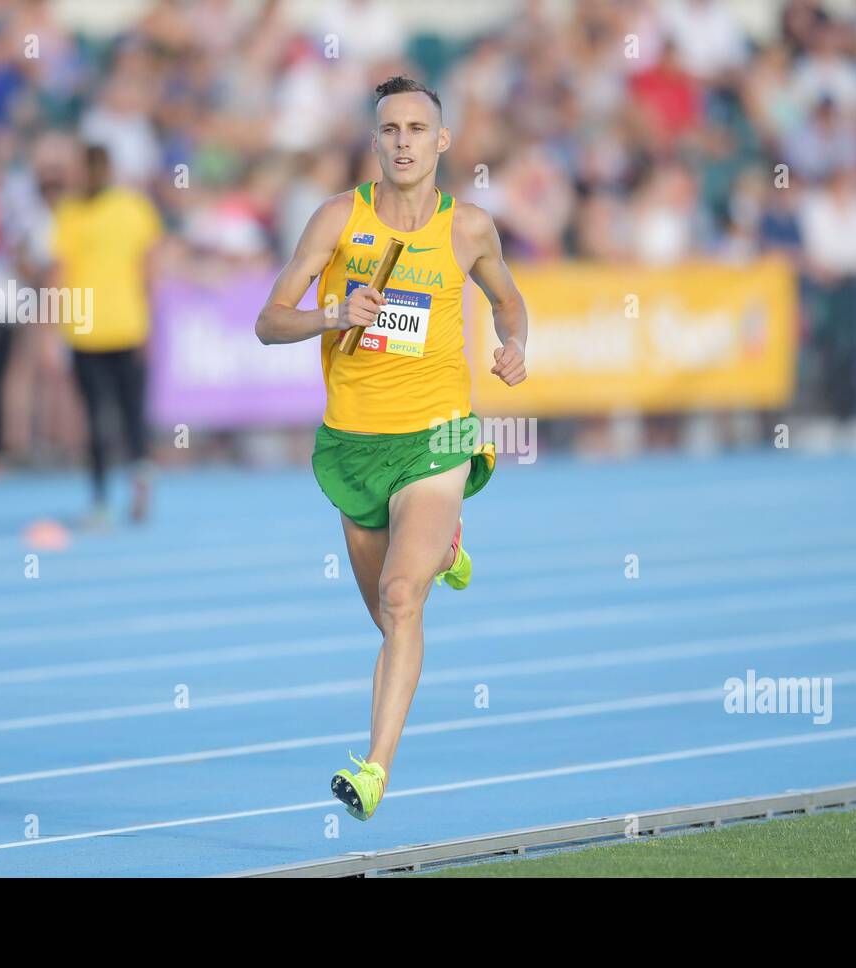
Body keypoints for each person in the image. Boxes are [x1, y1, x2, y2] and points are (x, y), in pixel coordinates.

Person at [255, 75, 528, 821]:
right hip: (353, 444)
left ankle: (374, 768)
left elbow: (508, 301)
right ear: (375, 142)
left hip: (436, 438)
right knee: (386, 615)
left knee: (403, 602)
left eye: (417, 129)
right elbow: (269, 321)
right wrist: (332, 314)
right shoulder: (339, 219)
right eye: (391, 130)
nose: (403, 142)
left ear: (441, 142)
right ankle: (445, 549)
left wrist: (514, 346)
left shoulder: (468, 227)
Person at [50, 143, 162, 525]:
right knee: (118, 416)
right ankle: (129, 482)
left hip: (112, 328)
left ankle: (107, 497)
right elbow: (148, 271)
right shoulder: (86, 210)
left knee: (108, 417)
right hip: (102, 329)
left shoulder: (120, 209)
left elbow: (146, 268)